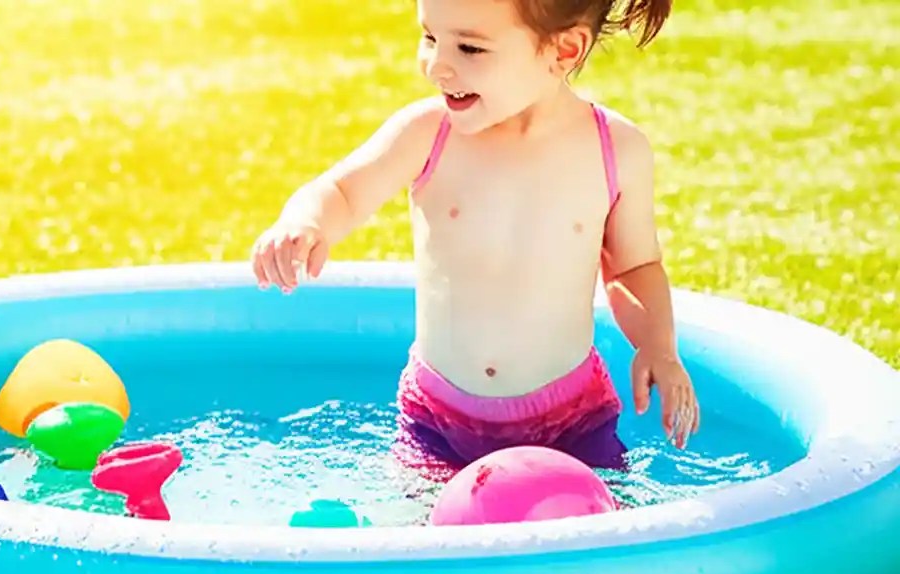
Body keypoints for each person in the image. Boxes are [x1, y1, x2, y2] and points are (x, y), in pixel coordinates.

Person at [250, 0, 699, 482]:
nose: (437, 66)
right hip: (440, 421)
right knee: (425, 547)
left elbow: (633, 268)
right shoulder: (427, 134)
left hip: (570, 423)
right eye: (430, 38)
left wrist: (658, 346)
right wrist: (306, 221)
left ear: (564, 50)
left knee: (596, 538)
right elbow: (343, 191)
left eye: (469, 47)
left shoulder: (615, 149)